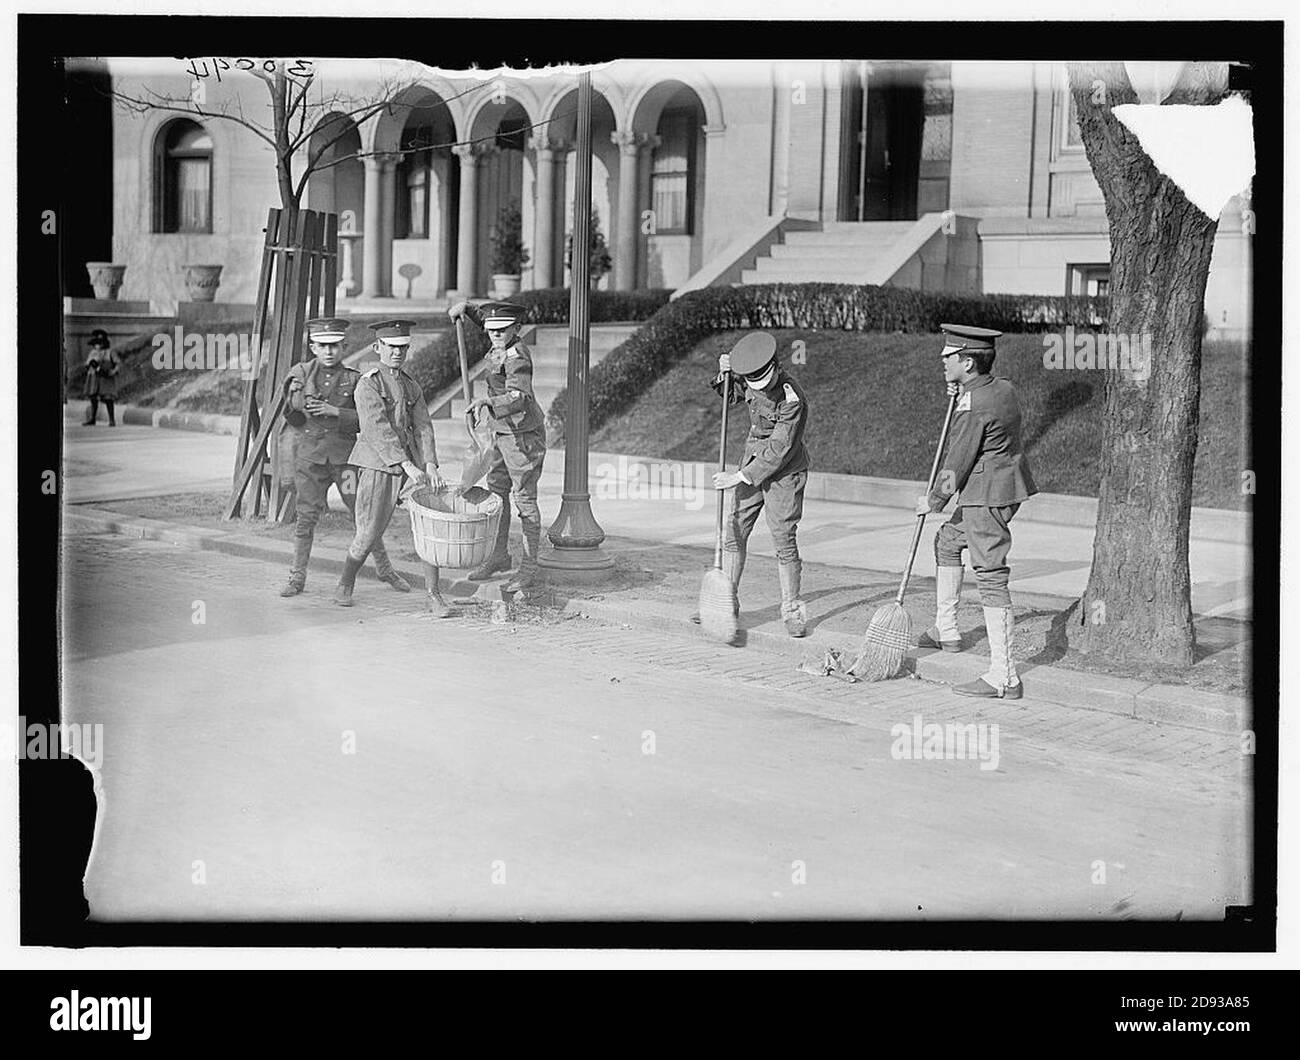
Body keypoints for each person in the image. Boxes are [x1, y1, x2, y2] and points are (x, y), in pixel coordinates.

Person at [915, 323, 1037, 698]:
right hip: (1002, 486)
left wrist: (933, 500)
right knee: (948, 541)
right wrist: (959, 392)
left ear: (967, 362)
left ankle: (1004, 676)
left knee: (990, 575)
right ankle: (947, 629)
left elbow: (957, 461)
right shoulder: (1000, 388)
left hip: (986, 495)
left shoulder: (973, 405)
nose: (942, 361)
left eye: (948, 357)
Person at [278, 317, 410, 599]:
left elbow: (365, 421)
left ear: (344, 346)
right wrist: (295, 397)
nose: (329, 352)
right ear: (313, 347)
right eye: (322, 346)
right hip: (310, 460)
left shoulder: (355, 379)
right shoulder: (300, 374)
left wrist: (334, 411)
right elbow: (292, 417)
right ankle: (297, 576)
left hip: (345, 461)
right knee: (305, 518)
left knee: (365, 517)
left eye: (335, 346)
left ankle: (384, 568)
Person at [335, 319, 454, 617]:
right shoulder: (368, 384)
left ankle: (433, 595)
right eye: (391, 347)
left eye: (403, 347)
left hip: (412, 466)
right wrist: (406, 465)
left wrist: (429, 465)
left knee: (430, 526)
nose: (398, 353)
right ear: (377, 347)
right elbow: (377, 430)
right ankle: (345, 582)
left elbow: (424, 426)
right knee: (368, 532)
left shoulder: (410, 384)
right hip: (379, 466)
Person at [708, 331, 811, 638]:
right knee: (735, 529)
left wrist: (738, 477)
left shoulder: (793, 397)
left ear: (775, 367)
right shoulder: (751, 375)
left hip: (785, 471)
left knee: (783, 537)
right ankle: (726, 602)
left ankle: (792, 610)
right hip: (753, 459)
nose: (758, 388)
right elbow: (732, 395)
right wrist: (724, 374)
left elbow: (779, 449)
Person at [446, 299, 547, 593]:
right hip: (501, 432)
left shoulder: (517, 356)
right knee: (498, 495)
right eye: (491, 331)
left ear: (516, 328)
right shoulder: (499, 339)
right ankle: (499, 556)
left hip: (523, 436)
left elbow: (520, 397)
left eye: (502, 330)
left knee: (524, 500)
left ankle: (528, 568)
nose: (495, 335)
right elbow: (487, 320)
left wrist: (488, 402)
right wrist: (466, 307)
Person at [82, 329, 119, 426]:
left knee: (108, 398)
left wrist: (113, 371)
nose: (98, 345)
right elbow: (87, 364)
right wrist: (91, 365)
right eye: (96, 343)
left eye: (101, 343)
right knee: (93, 398)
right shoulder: (93, 353)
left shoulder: (110, 352)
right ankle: (92, 418)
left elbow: (118, 363)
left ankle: (112, 419)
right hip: (94, 378)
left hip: (106, 378)